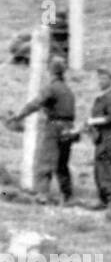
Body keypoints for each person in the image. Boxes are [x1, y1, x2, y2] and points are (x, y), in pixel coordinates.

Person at [6, 55, 76, 204]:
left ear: (51, 71)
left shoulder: (51, 88)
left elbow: (35, 104)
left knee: (45, 160)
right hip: (68, 128)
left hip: (54, 127)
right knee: (62, 164)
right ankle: (67, 196)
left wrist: (19, 116)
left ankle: (43, 195)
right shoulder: (67, 90)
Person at [83, 67, 111, 216]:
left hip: (110, 138)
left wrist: (93, 120)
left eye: (104, 79)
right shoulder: (101, 98)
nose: (101, 81)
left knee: (108, 171)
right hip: (101, 138)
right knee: (99, 170)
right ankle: (103, 200)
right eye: (99, 78)